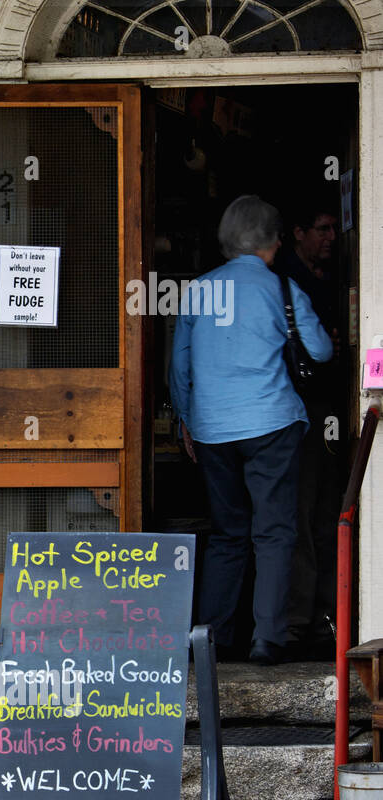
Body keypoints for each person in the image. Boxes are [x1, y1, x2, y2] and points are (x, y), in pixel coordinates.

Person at [170, 195, 332, 665]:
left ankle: (211, 639)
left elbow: (179, 367)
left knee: (227, 532)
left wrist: (186, 419)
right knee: (276, 531)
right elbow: (320, 351)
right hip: (271, 423)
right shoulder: (280, 290)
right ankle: (268, 638)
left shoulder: (198, 290)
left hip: (212, 427)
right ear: (274, 242)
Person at [278, 198, 346, 654]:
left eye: (332, 229)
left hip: (329, 410)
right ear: (298, 232)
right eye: (321, 229)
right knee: (301, 519)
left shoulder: (335, 276)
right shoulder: (283, 284)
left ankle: (322, 619)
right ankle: (300, 623)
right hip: (295, 414)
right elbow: (321, 348)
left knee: (323, 516)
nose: (331, 237)